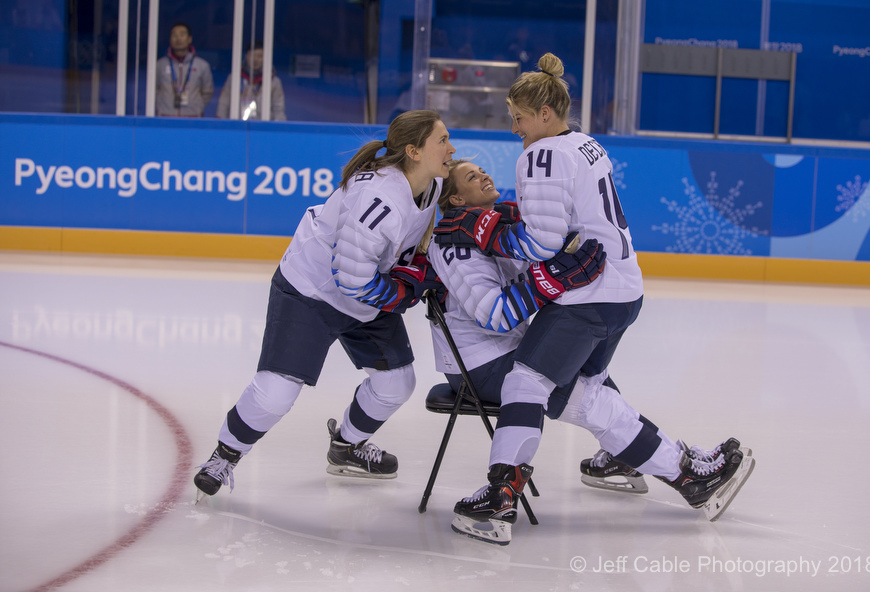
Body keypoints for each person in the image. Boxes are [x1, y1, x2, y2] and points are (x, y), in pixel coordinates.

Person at [432, 55, 755, 544]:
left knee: (528, 385)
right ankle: (661, 466)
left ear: (543, 112)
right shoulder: (585, 144)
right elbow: (552, 243)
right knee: (592, 389)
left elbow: (541, 244)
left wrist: (494, 233)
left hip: (587, 296)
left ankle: (501, 498)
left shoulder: (538, 156)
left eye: (518, 115)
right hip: (624, 290)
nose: (513, 126)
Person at [193, 110, 455, 500]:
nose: (452, 148)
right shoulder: (379, 198)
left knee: (397, 383)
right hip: (311, 291)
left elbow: (411, 242)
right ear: (414, 152)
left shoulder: (430, 185)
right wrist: (401, 295)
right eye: (443, 140)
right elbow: (350, 277)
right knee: (276, 393)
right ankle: (225, 454)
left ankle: (346, 447)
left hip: (366, 291)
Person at [216, 40, 287, 121]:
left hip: (263, 127)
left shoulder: (274, 82)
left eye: (260, 56)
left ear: (266, 58)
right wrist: (220, 123)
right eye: (252, 55)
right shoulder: (234, 78)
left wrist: (278, 129)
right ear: (246, 56)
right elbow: (224, 102)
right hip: (237, 125)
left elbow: (278, 108)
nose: (255, 59)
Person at [155, 22, 214, 117]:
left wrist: (197, 106)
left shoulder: (202, 65)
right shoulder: (160, 65)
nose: (178, 39)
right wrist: (161, 105)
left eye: (182, 35)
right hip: (165, 116)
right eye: (174, 35)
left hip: (193, 117)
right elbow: (154, 90)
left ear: (189, 39)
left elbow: (207, 92)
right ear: (170, 39)